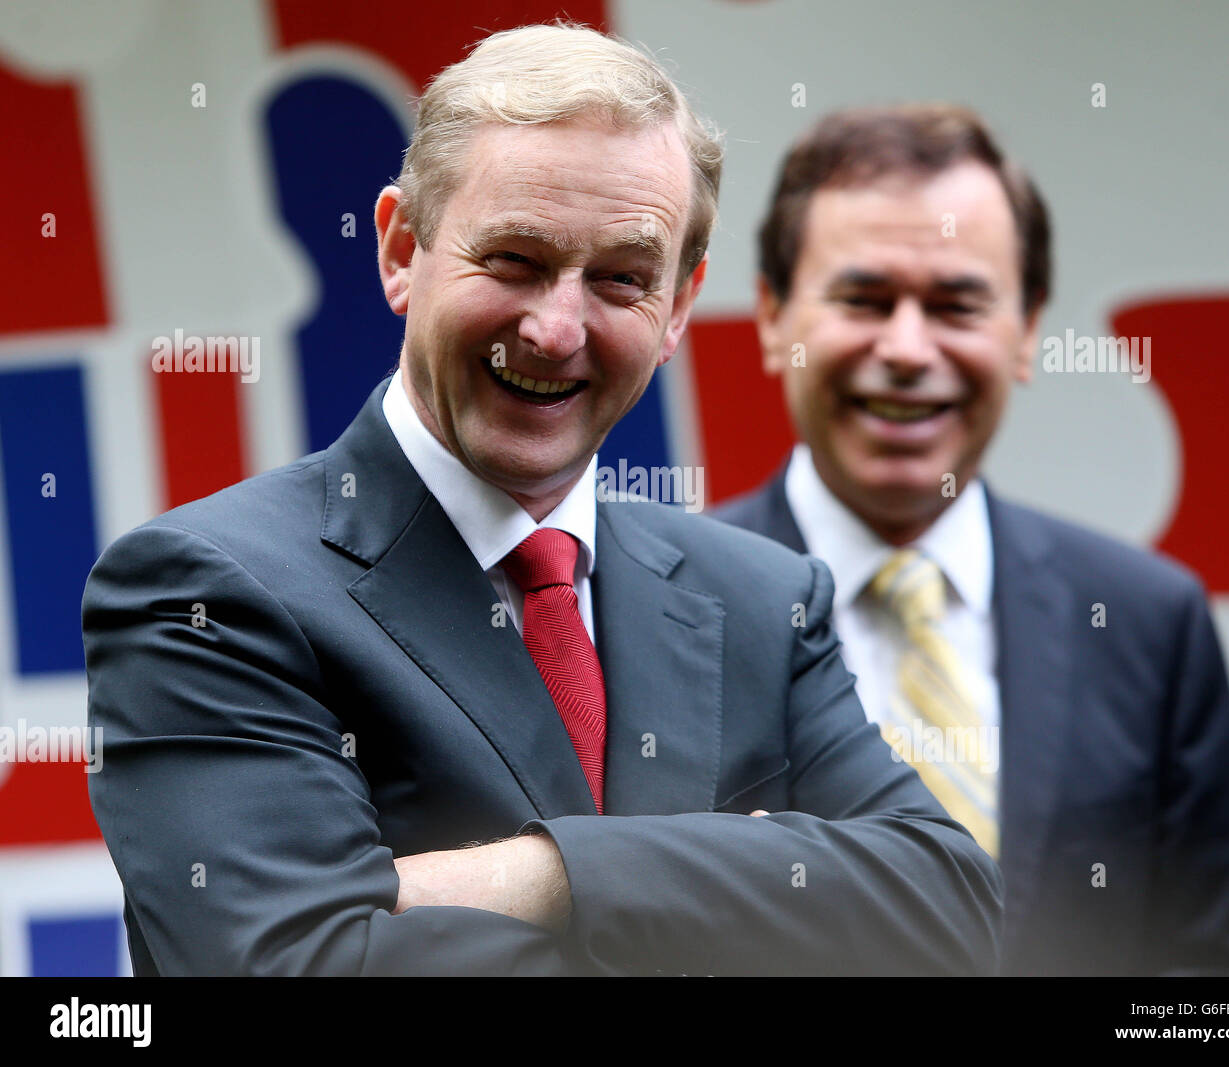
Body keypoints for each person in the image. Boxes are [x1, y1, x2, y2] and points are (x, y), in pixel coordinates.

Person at [82, 27, 1001, 976]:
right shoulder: (205, 592)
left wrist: (548, 876)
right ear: (401, 249)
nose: (557, 330)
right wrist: (751, 885)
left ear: (679, 306)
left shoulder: (764, 600)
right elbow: (296, 963)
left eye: (620, 279)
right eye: (515, 260)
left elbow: (950, 909)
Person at [714, 105, 1229, 975]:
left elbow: (1218, 988)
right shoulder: (656, 607)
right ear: (771, 318)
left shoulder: (1147, 621)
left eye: (957, 303)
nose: (907, 348)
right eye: (864, 298)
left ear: (1027, 331)